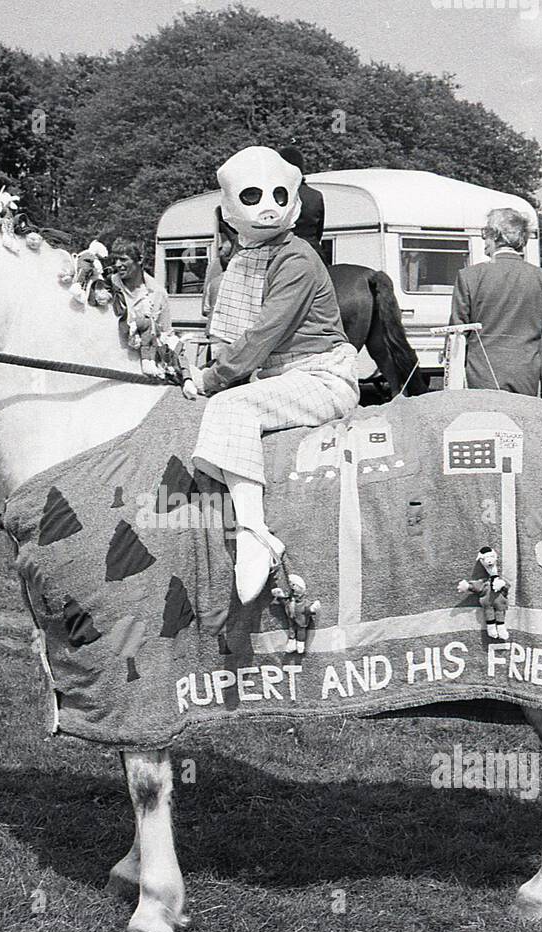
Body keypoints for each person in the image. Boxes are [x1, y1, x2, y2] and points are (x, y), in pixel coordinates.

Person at [183, 145, 358, 603]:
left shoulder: (295, 259)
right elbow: (238, 337)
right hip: (285, 377)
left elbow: (262, 334)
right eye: (254, 196)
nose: (267, 207)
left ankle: (254, 534)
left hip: (323, 378)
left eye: (279, 196)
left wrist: (211, 380)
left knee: (230, 405)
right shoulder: (250, 258)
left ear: (294, 202)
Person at [449, 208, 542, 405]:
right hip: (525, 377)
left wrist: (450, 383)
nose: (484, 241)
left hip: (480, 377)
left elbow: (456, 335)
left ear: (496, 236)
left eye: (486, 235)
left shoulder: (469, 277)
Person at [277, 145, 325, 258]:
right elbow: (319, 232)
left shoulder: (278, 195)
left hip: (284, 250)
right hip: (313, 251)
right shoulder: (316, 195)